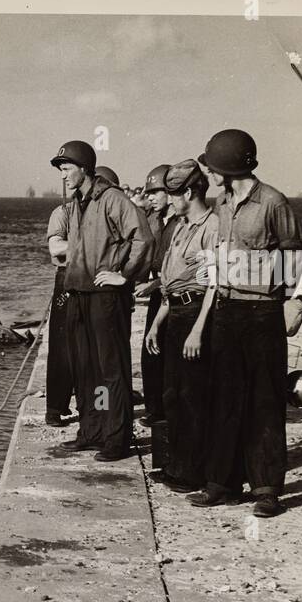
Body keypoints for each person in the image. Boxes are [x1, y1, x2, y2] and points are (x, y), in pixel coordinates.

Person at [187, 129, 302, 517]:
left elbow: (294, 256)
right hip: (227, 310)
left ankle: (267, 489)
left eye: (212, 166)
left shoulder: (273, 203)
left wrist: (293, 302)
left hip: (263, 314)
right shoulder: (222, 204)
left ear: (228, 166)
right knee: (223, 399)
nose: (208, 173)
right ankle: (222, 483)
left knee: (265, 401)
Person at [48, 140, 151, 461]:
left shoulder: (112, 199)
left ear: (83, 168)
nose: (63, 176)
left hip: (105, 298)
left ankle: (117, 439)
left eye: (66, 169)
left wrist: (126, 275)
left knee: (111, 370)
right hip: (78, 295)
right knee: (85, 370)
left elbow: (143, 237)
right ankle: (91, 432)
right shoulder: (78, 202)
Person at [145, 159, 219, 492]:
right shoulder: (181, 227)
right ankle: (176, 465)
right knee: (172, 394)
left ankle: (193, 471)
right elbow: (169, 282)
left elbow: (214, 286)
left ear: (188, 192)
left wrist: (198, 330)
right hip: (174, 313)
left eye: (173, 194)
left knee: (193, 396)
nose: (170, 200)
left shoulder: (211, 227)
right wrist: (157, 323)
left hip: (193, 316)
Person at [137, 165, 174, 426]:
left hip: (175, 295)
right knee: (150, 354)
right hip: (157, 294)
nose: (150, 197)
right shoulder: (153, 219)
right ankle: (154, 409)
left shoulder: (182, 223)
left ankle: (166, 410)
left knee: (169, 356)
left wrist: (153, 284)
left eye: (155, 192)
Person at [44, 200, 75, 426]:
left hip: (95, 277)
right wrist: (92, 242)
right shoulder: (63, 213)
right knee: (61, 345)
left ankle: (96, 404)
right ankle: (55, 408)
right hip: (67, 276)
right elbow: (55, 249)